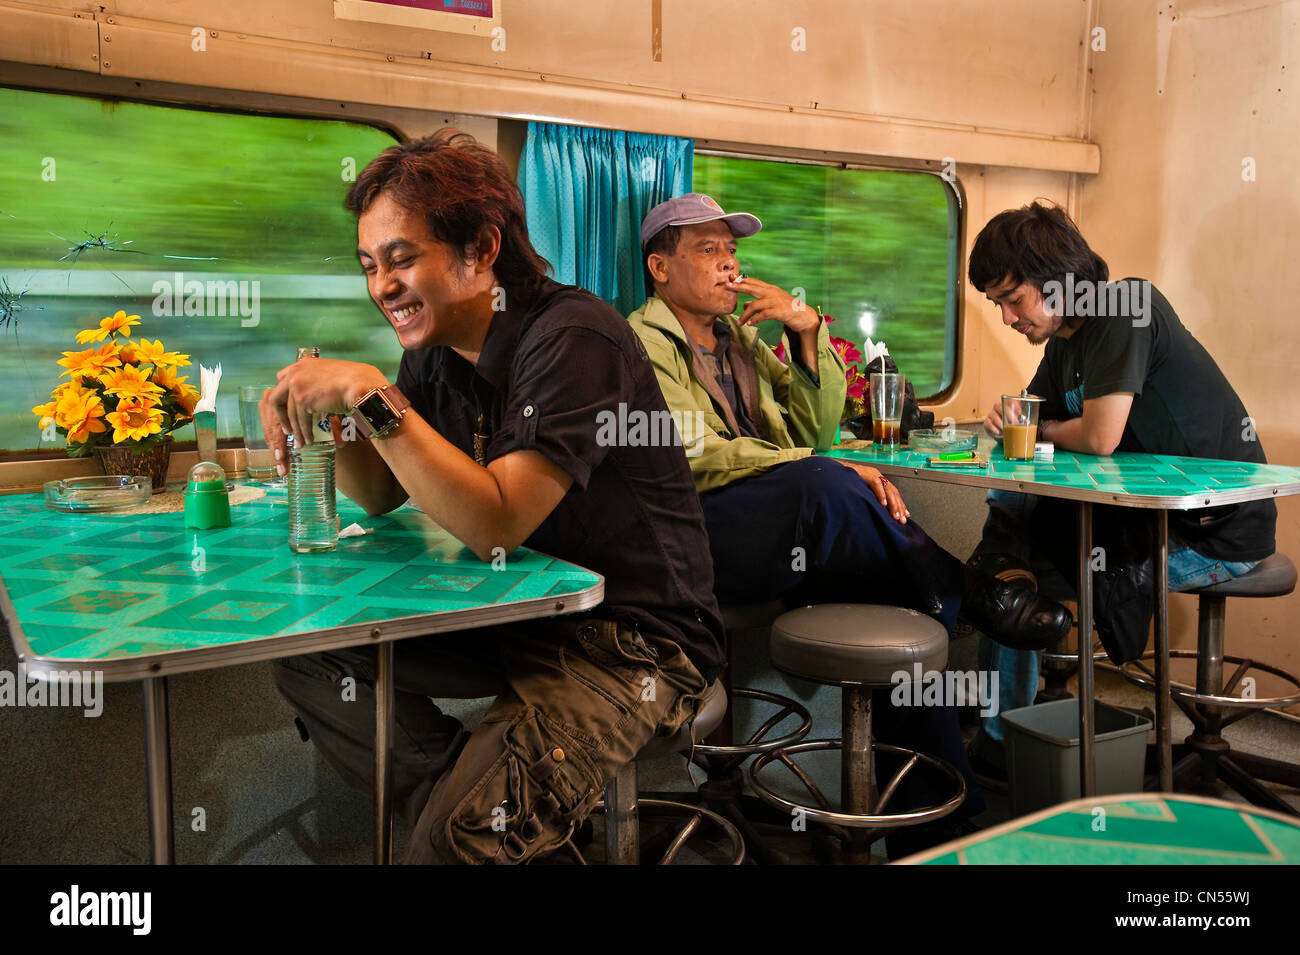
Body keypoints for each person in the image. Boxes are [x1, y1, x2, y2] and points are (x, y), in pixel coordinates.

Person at [261, 131, 726, 865]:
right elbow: (381, 490)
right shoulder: (433, 355)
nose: (381, 285)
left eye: (400, 258)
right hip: (516, 616)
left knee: (453, 840)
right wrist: (327, 421)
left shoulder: (574, 336)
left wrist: (368, 393)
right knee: (315, 655)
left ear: (480, 250)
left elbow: (497, 519)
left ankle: (471, 828)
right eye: (369, 266)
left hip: (630, 642)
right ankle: (481, 821)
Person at [627, 193, 1073, 854]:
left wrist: (806, 334)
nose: (730, 266)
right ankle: (972, 593)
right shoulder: (641, 341)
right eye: (709, 251)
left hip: (781, 524)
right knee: (823, 482)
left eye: (733, 251)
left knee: (905, 607)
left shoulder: (742, 341)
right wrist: (821, 466)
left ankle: (936, 821)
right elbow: (692, 453)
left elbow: (816, 427)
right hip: (701, 536)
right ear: (660, 268)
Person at [965, 200, 1277, 771]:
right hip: (1146, 523)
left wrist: (1037, 426)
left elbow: (1100, 436)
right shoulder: (1064, 344)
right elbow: (1031, 414)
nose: (1007, 318)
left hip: (1216, 532)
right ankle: (1004, 737)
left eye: (1013, 300)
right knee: (1002, 577)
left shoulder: (1126, 306)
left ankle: (1009, 736)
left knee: (1012, 582)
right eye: (997, 304)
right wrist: (1015, 415)